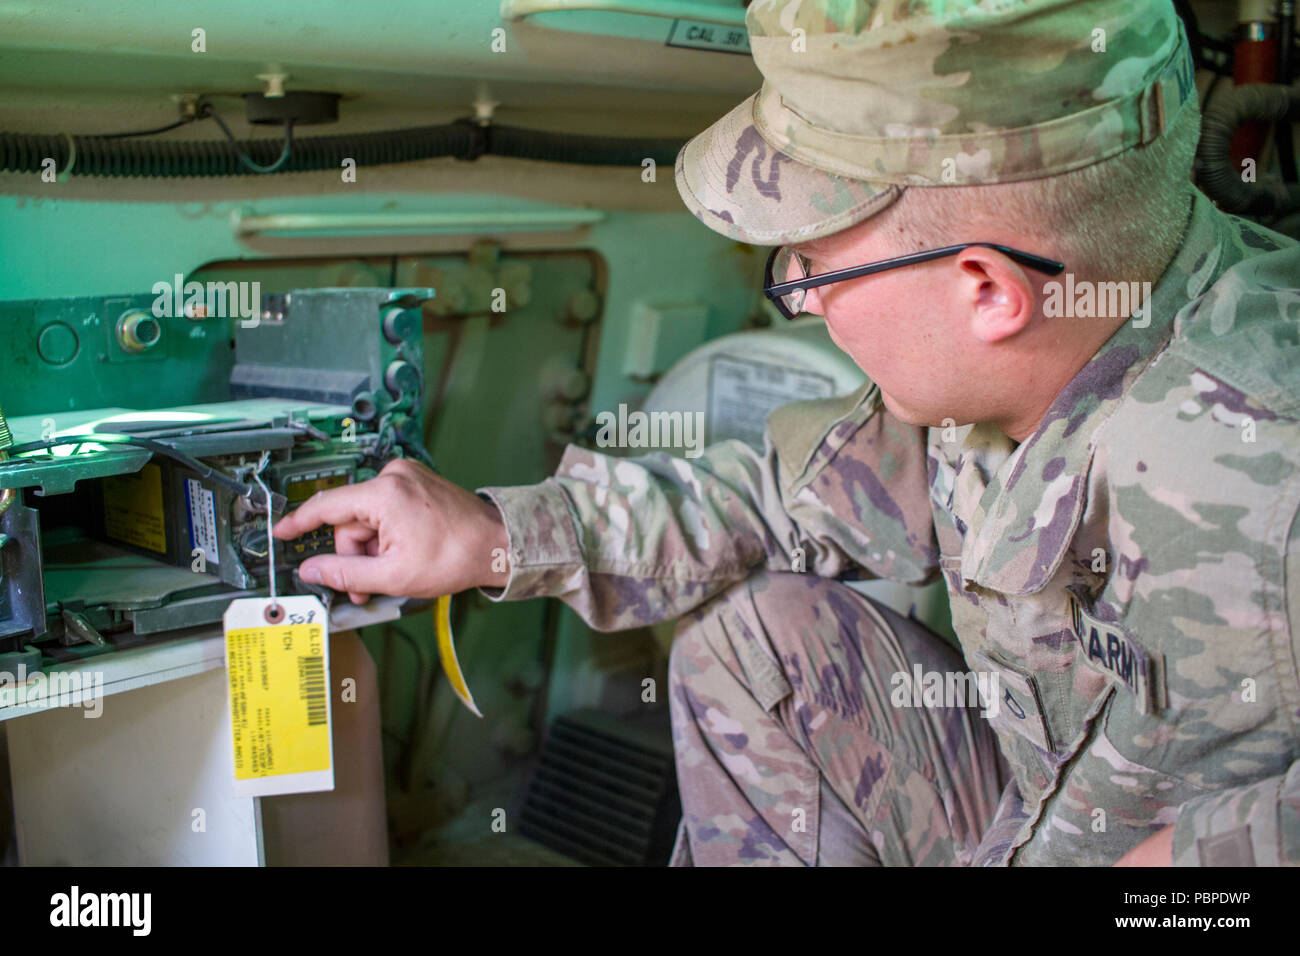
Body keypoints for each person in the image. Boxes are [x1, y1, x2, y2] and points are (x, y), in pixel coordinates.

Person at [274, 0, 1300, 866]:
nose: (799, 298)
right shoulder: (1025, 360)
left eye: (818, 264)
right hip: (1035, 825)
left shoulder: (1265, 461)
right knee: (756, 641)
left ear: (987, 289)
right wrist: (494, 534)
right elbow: (784, 494)